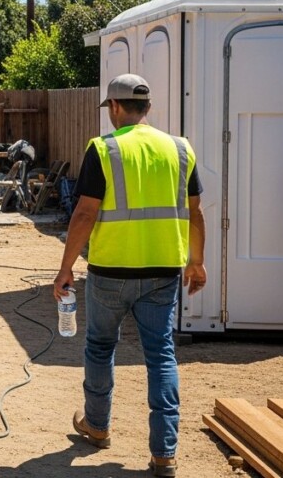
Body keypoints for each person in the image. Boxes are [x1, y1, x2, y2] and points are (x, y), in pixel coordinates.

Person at [52, 74, 207, 478]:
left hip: (110, 271)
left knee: (101, 348)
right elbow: (196, 212)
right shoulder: (180, 148)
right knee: (161, 356)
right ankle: (164, 454)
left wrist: (66, 267)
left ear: (115, 108)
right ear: (148, 108)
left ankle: (97, 426)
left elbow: (85, 213)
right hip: (163, 270)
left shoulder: (104, 149)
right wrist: (197, 261)